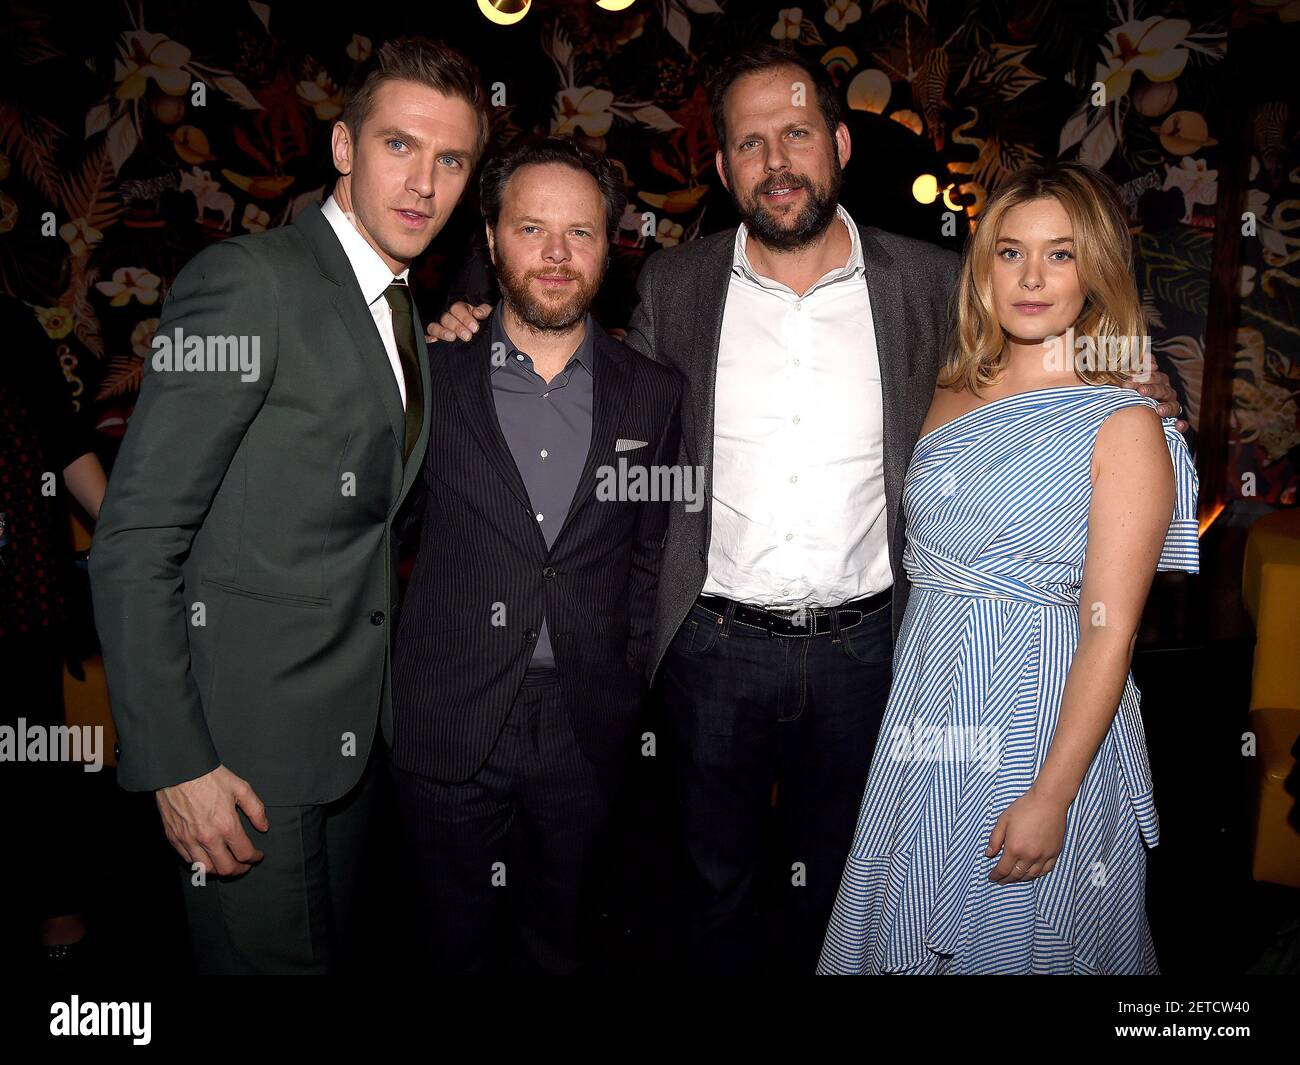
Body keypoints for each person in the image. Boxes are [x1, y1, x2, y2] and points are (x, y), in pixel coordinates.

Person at [430, 43, 1185, 973]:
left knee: (857, 891)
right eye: (750, 143)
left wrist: (1143, 377)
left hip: (880, 655)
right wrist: (467, 326)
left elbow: (1042, 351)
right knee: (708, 891)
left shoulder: (934, 281)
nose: (776, 160)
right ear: (722, 168)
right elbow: (606, 395)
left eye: (796, 133)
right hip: (709, 649)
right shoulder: (675, 285)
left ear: (837, 143)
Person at [89, 36, 489, 973]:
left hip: (352, 748)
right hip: (240, 760)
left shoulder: (399, 309)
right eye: (399, 145)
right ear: (344, 149)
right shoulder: (249, 283)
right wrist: (175, 762)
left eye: (451, 159)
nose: (423, 182)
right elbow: (136, 537)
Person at [818, 162, 1199, 975]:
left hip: (1042, 717)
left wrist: (1053, 794)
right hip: (927, 705)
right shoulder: (948, 390)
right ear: (981, 268)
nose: (1032, 278)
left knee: (1023, 941)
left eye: (1060, 255)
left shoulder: (1124, 419)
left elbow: (1113, 634)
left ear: (1094, 270)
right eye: (1010, 253)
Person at [391, 137, 683, 973]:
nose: (556, 256)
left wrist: (626, 676)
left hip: (584, 728)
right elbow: (376, 534)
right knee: (447, 947)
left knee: (562, 942)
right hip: (446, 714)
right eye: (531, 229)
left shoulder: (654, 392)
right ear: (490, 237)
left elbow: (650, 552)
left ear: (612, 241)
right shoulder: (428, 371)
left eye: (581, 233)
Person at [0, 295, 107, 967]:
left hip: (17, 590)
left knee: (31, 751)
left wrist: (133, 539)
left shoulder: (7, 322)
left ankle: (57, 906)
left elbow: (64, 441)